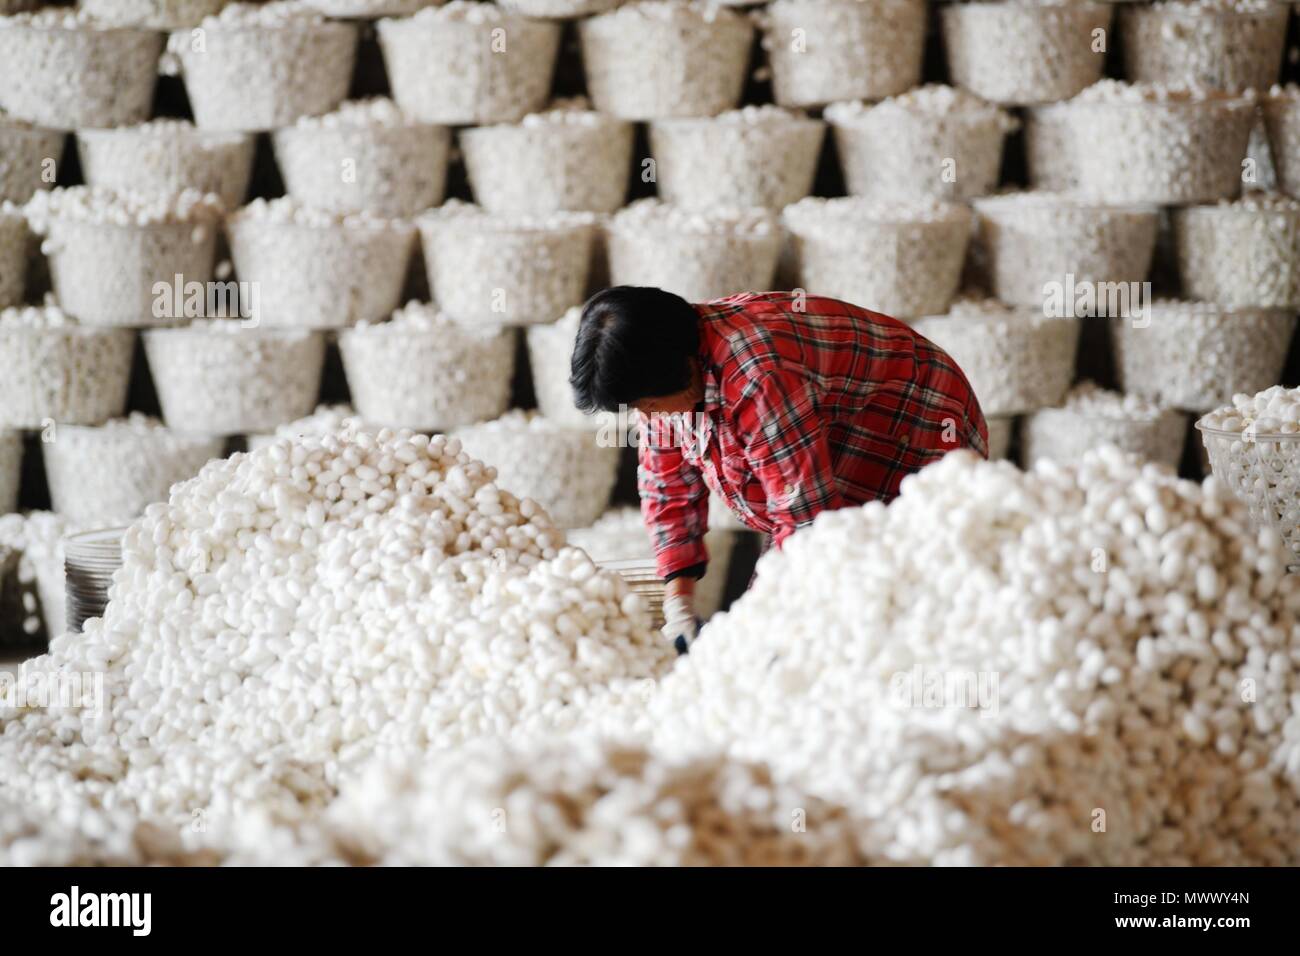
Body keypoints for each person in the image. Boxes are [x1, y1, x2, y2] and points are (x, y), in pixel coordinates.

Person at [570, 287, 988, 653]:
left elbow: (806, 522)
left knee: (885, 601)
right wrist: (679, 601)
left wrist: (755, 629)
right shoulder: (663, 371)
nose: (646, 416)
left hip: (916, 430)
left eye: (647, 406)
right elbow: (667, 485)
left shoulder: (759, 373)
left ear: (683, 372)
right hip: (831, 452)